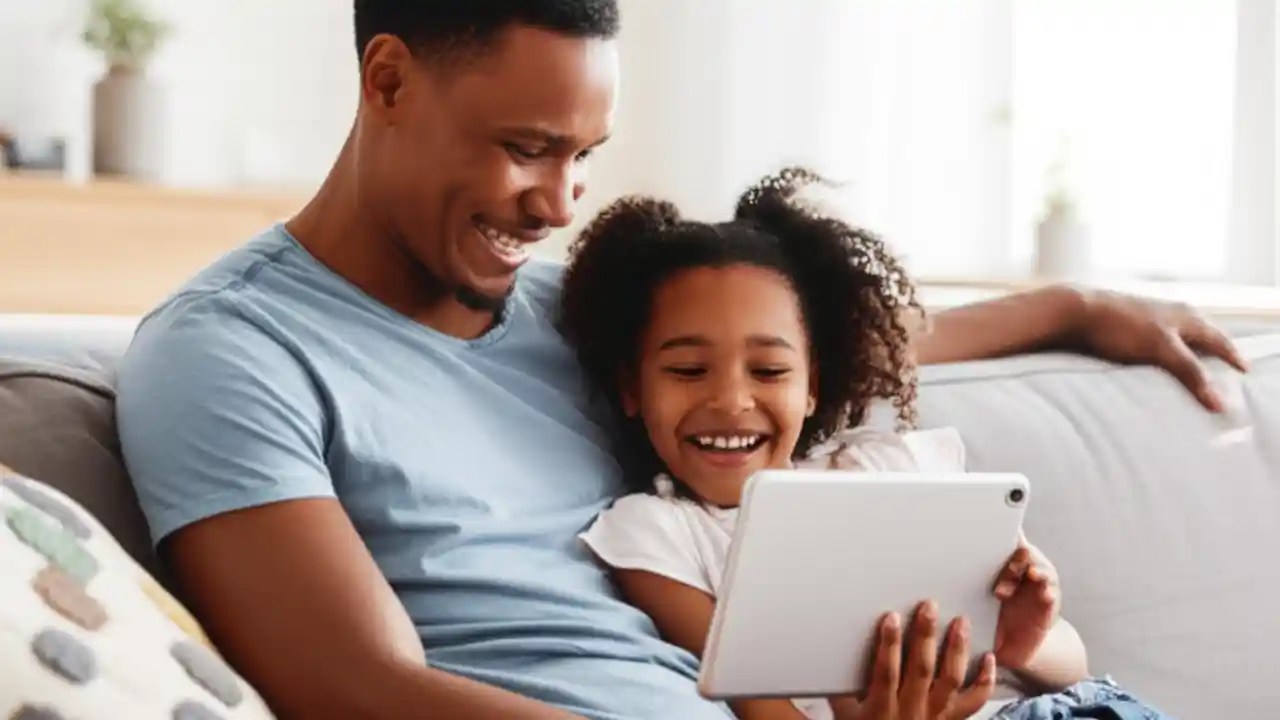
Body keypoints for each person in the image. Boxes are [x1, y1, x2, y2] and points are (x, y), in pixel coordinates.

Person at [115, 3, 1244, 719]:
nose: (557, 204)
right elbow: (358, 689)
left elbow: (801, 357)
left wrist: (1074, 306)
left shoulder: (568, 312)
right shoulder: (229, 352)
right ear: (389, 81)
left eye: (582, 158)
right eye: (525, 149)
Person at [564, 168, 1088, 720]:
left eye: (768, 370)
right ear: (631, 388)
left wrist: (1022, 644)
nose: (732, 400)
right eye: (689, 369)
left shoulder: (889, 466)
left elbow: (1074, 665)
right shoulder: (655, 535)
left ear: (812, 386)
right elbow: (764, 710)